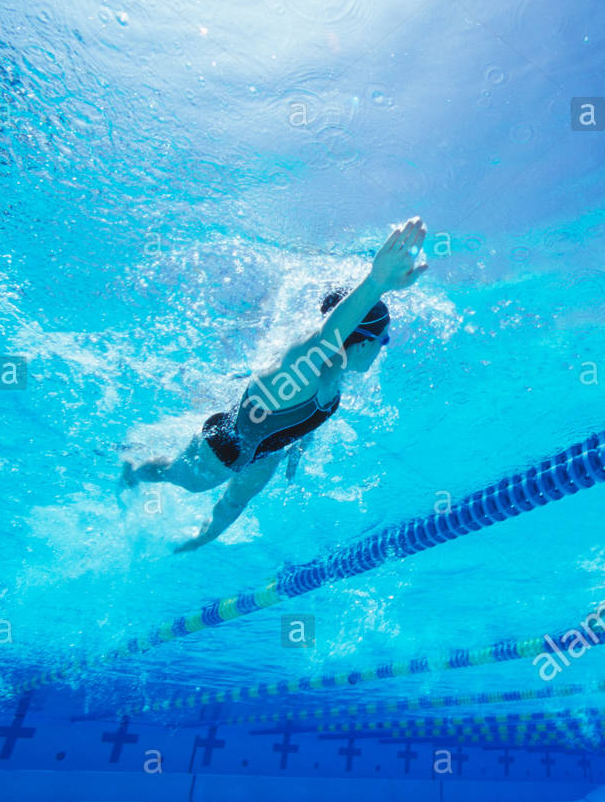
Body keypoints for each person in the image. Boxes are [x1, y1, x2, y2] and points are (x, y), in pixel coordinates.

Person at [123, 216, 428, 551]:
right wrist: (376, 283)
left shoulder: (334, 379)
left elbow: (310, 419)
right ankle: (133, 469)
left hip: (269, 451)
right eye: (385, 341)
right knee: (182, 478)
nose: (383, 349)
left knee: (233, 506)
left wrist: (298, 449)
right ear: (366, 342)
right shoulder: (300, 369)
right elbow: (327, 337)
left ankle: (187, 545)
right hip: (227, 446)